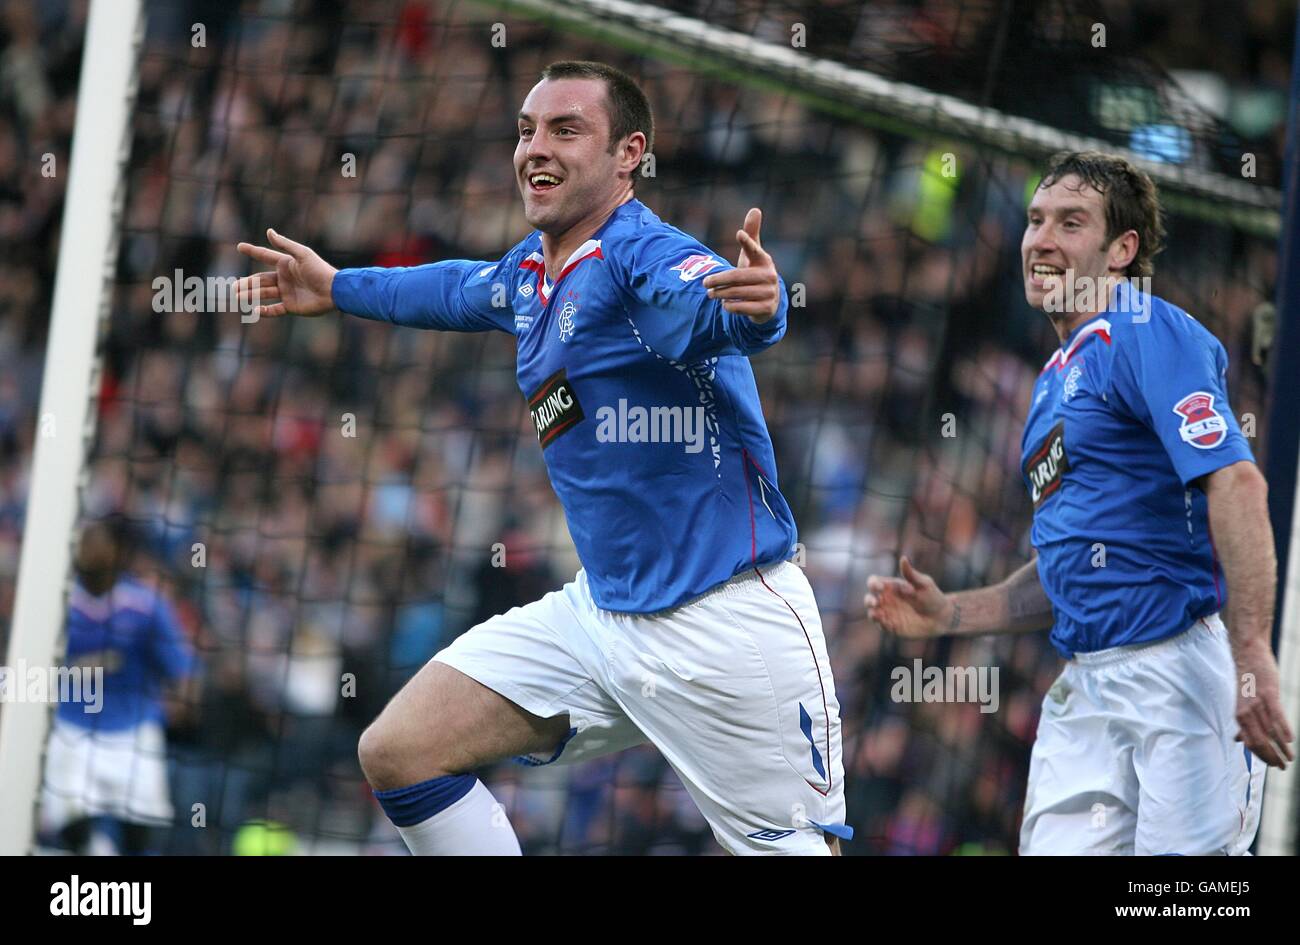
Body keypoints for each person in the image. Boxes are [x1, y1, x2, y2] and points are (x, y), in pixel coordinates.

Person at [235, 60, 848, 855]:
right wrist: (339, 284)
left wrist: (759, 312)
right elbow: (452, 290)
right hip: (603, 618)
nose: (534, 148)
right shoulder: (529, 274)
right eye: (526, 131)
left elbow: (707, 305)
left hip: (727, 626)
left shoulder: (642, 259)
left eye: (565, 130)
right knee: (398, 752)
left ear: (629, 153)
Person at [865, 150, 1293, 856]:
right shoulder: (1051, 385)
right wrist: (955, 612)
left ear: (1122, 249)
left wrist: (1252, 656)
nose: (1041, 239)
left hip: (1173, 676)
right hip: (1084, 689)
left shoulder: (1146, 328)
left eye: (1071, 222)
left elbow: (1237, 481)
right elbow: (1063, 569)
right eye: (1036, 220)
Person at [40, 515, 197, 854]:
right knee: (70, 822)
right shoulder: (57, 604)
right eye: (85, 542)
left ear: (117, 552)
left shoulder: (147, 606)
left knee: (142, 833)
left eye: (98, 542)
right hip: (72, 730)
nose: (91, 550)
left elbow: (181, 671)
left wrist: (183, 699)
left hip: (133, 731)